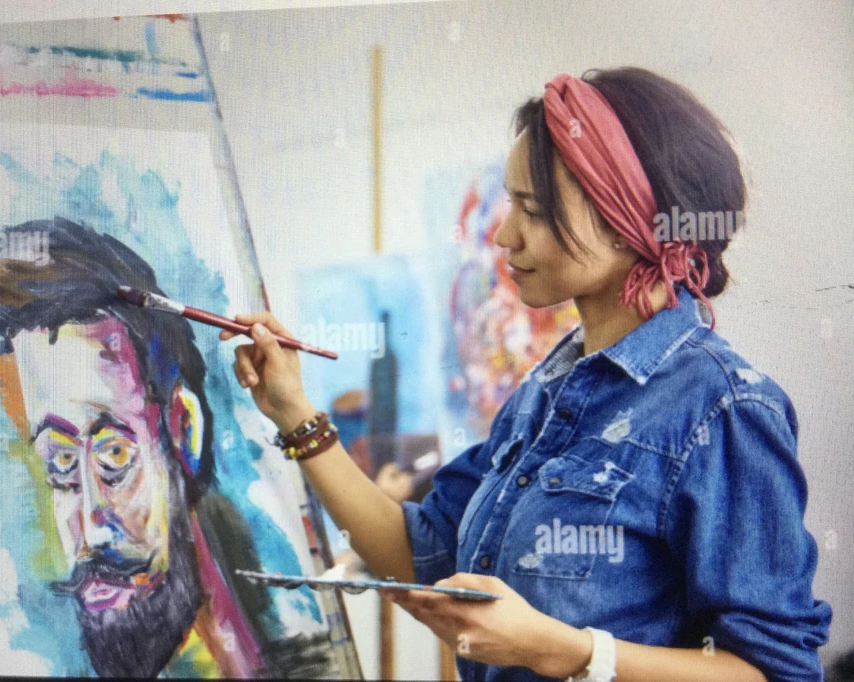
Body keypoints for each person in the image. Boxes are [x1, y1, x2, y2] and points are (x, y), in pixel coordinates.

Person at [221, 68, 832, 682]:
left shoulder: (722, 408)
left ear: (630, 221)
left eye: (533, 210)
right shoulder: (546, 392)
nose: (502, 233)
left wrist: (564, 650)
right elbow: (421, 553)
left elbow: (774, 671)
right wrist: (293, 411)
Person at [0, 217, 336, 679]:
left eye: (114, 456)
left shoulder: (304, 658)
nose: (92, 531)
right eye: (61, 462)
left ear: (183, 430)